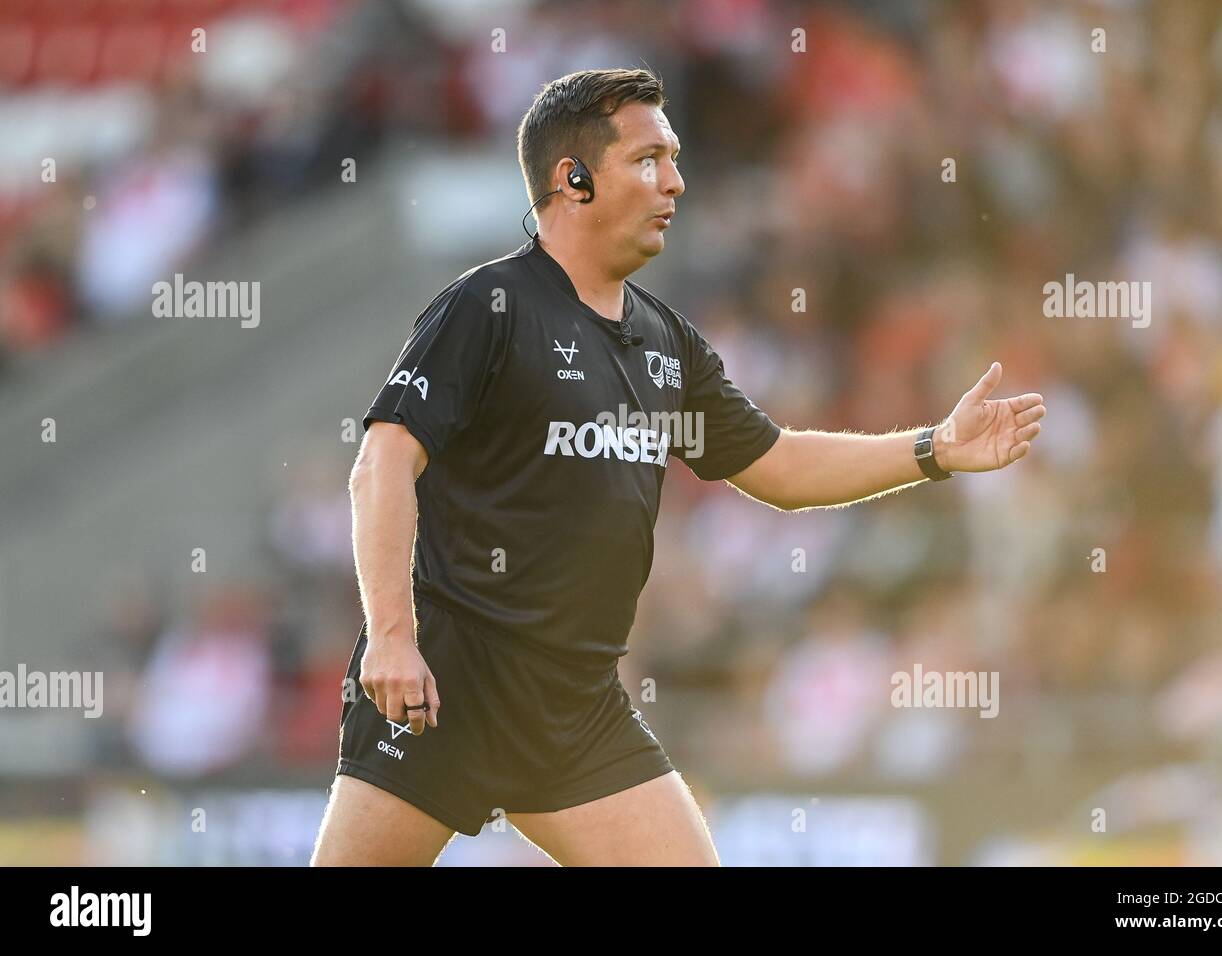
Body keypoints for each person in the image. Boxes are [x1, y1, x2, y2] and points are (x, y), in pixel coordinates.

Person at [311, 68, 1046, 866]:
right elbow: (381, 464)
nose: (676, 181)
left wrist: (934, 449)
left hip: (577, 710)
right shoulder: (488, 307)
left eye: (675, 157)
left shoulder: (667, 344)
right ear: (575, 179)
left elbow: (778, 465)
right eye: (650, 159)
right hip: (446, 689)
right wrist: (391, 637)